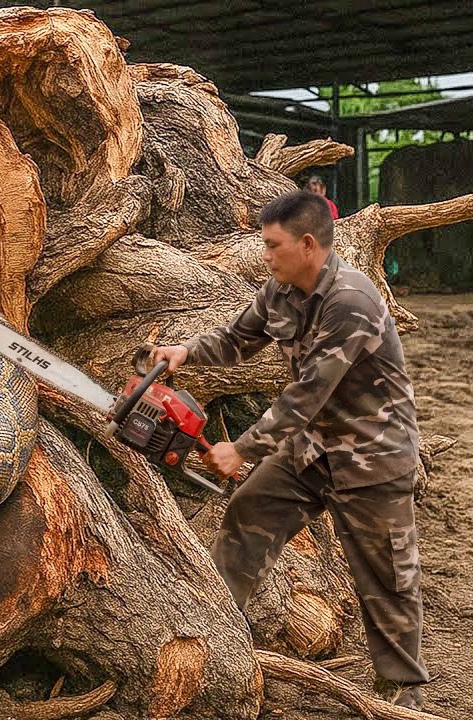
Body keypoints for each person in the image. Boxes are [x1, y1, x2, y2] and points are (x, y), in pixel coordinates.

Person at [148, 190, 428, 710]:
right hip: (313, 448)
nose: (265, 254)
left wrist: (243, 448)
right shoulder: (280, 289)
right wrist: (185, 351)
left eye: (273, 245)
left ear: (306, 243)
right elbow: (237, 338)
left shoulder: (352, 299)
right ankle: (219, 638)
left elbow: (306, 395)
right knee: (250, 509)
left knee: (386, 575)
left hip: (373, 454)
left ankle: (401, 692)